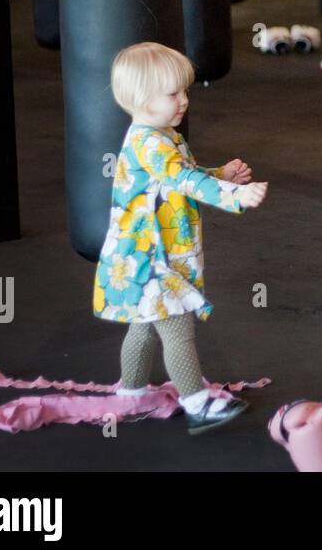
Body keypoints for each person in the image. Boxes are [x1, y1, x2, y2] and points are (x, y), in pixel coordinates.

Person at [94, 42, 269, 434]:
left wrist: (219, 174)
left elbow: (179, 173)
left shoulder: (157, 136)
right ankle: (196, 403)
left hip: (141, 257)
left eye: (184, 91)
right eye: (173, 93)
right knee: (177, 327)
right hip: (149, 258)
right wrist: (235, 195)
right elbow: (181, 179)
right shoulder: (151, 142)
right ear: (141, 97)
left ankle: (131, 393)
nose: (184, 101)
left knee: (142, 326)